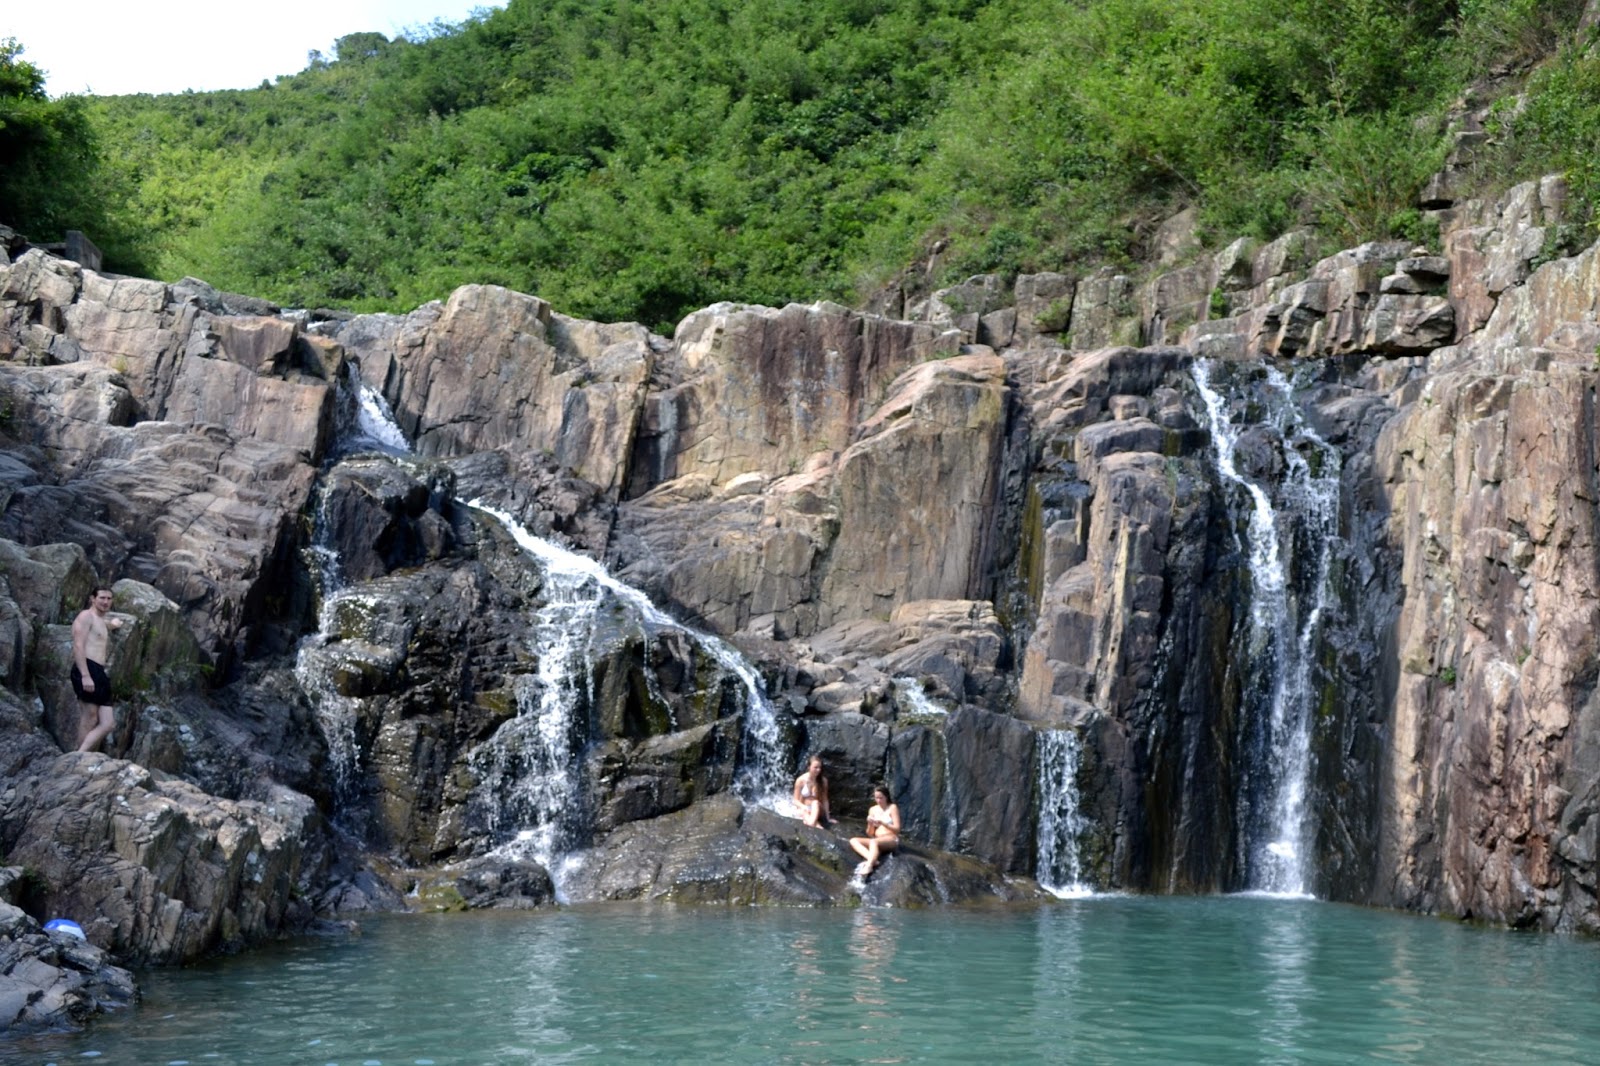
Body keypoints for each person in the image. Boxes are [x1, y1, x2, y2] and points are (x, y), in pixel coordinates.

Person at [70, 586, 123, 753]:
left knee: (108, 723)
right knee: (90, 716)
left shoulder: (100, 620)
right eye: (102, 598)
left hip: (99, 672)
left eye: (109, 599)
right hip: (87, 667)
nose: (106, 602)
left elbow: (103, 627)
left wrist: (113, 624)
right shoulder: (85, 616)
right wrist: (85, 675)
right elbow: (78, 646)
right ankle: (78, 757)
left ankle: (80, 754)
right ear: (93, 599)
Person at [849, 785, 901, 878]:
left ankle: (869, 865)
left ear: (886, 797)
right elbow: (870, 834)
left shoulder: (892, 807)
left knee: (873, 842)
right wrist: (870, 823)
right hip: (877, 839)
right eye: (876, 798)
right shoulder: (872, 809)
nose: (878, 800)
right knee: (853, 840)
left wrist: (883, 823)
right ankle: (872, 859)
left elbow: (897, 829)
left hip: (891, 838)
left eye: (881, 798)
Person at [792, 755, 833, 827]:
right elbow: (795, 800)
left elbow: (825, 800)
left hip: (818, 809)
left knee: (815, 803)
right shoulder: (800, 780)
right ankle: (816, 825)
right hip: (806, 809)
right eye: (815, 767)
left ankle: (810, 823)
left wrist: (827, 818)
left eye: (820, 768)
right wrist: (803, 806)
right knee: (801, 811)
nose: (818, 770)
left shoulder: (823, 781)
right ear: (809, 767)